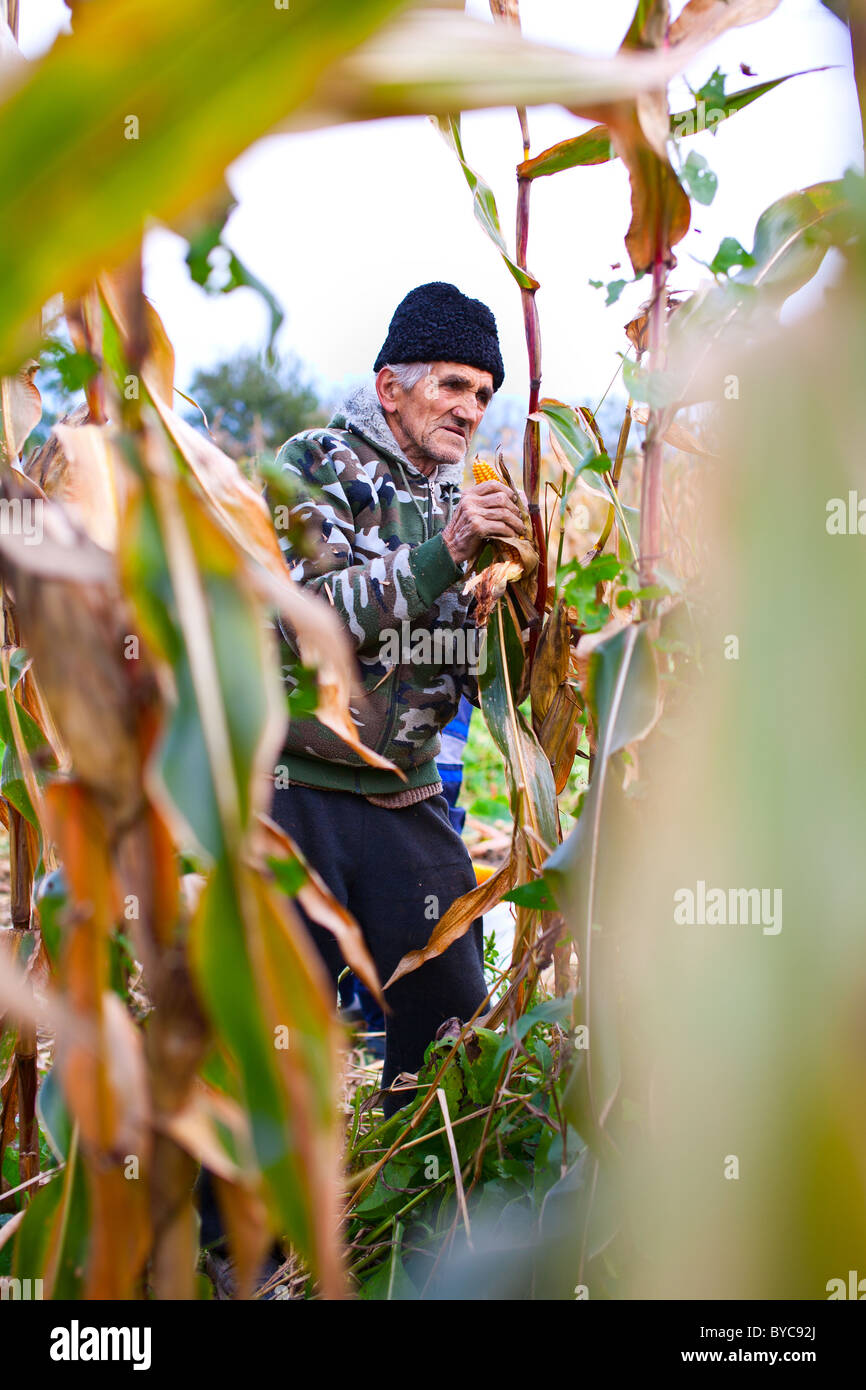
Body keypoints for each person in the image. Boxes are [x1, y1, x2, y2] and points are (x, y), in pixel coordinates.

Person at [272, 281, 525, 1115]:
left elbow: (440, 660)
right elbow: (315, 620)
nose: (469, 408)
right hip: (303, 795)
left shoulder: (456, 492)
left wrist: (502, 609)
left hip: (410, 797)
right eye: (453, 384)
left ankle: (420, 1196)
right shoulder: (313, 465)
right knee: (276, 1032)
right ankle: (240, 1240)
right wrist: (447, 554)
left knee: (449, 1017)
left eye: (483, 394)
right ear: (391, 387)